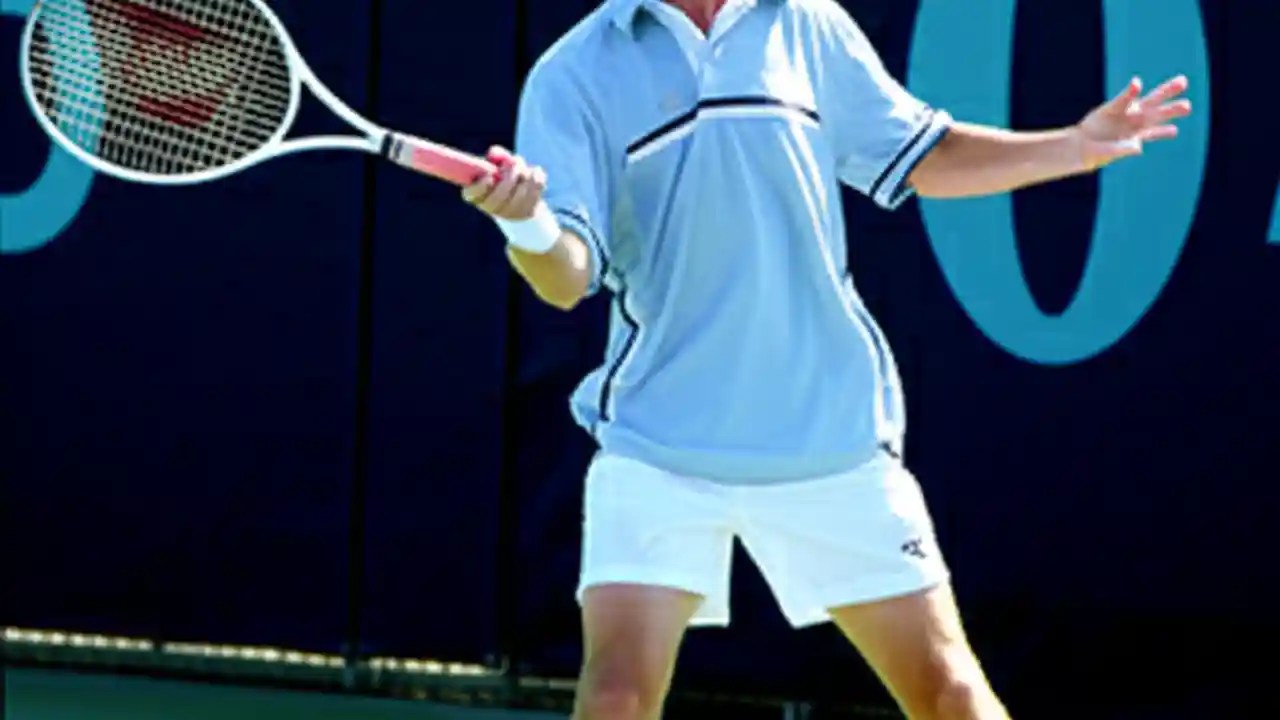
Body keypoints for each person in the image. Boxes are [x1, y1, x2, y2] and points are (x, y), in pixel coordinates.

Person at [462, 1, 1192, 718]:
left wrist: (1075, 146)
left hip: (829, 432)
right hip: (659, 442)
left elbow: (927, 154)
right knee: (617, 696)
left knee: (948, 693)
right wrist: (527, 226)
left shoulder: (809, 25)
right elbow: (565, 279)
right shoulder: (572, 73)